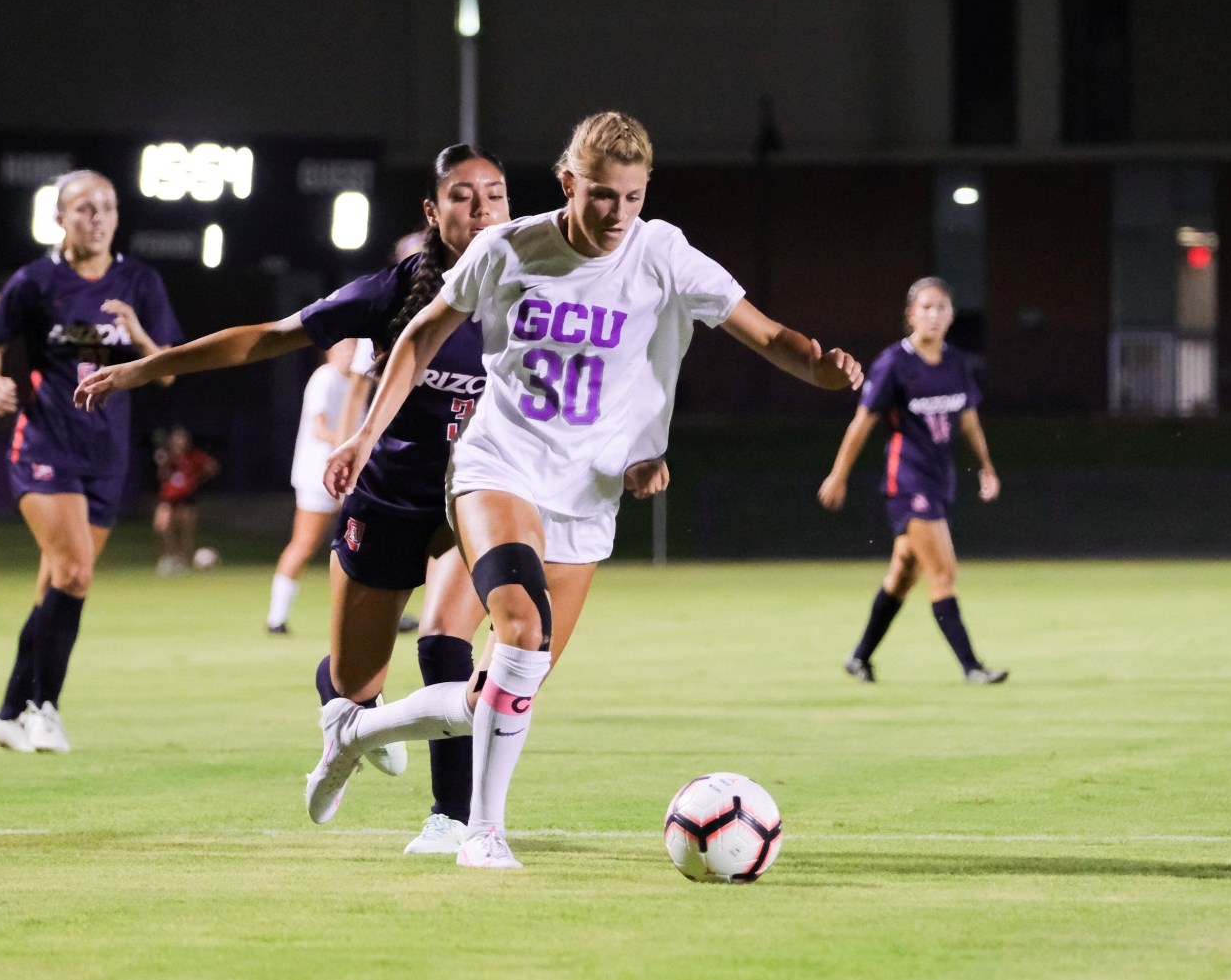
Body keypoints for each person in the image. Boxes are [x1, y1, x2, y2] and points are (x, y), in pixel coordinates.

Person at [309, 111, 864, 869]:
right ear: (569, 182)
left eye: (633, 197)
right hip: (496, 464)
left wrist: (819, 367)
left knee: (502, 687)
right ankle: (483, 831)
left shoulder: (661, 253)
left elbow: (764, 333)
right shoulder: (510, 247)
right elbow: (422, 334)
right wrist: (363, 434)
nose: (618, 214)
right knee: (522, 628)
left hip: (586, 492)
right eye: (603, 195)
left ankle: (356, 731)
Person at [76, 144, 514, 854]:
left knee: (444, 644)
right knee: (353, 677)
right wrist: (148, 367)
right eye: (463, 196)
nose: (483, 207)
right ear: (434, 213)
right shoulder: (393, 291)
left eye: (495, 194)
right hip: (392, 498)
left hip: (476, 492)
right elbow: (266, 339)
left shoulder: (535, 283)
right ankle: (348, 715)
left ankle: (451, 817)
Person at [0, 169, 183, 754]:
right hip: (44, 445)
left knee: (58, 586)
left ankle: (10, 712)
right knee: (75, 574)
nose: (97, 218)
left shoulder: (139, 281)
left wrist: (139, 333)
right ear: (60, 218)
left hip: (105, 457)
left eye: (108, 208)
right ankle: (45, 708)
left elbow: (167, 369)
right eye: (84, 208)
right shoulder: (36, 281)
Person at [817, 276, 1007, 685]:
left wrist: (987, 466)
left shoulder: (956, 363)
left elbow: (969, 419)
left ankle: (859, 657)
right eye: (925, 308)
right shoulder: (894, 364)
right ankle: (971, 667)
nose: (934, 315)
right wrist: (839, 474)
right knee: (943, 572)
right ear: (910, 316)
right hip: (907, 483)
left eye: (941, 307)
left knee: (903, 572)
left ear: (952, 315)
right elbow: (862, 423)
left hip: (941, 483)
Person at [265, 338, 372, 632]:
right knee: (305, 543)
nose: (350, 353)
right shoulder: (325, 379)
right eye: (343, 347)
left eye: (353, 347)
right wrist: (349, 447)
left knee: (368, 542)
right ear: (330, 352)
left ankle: (379, 613)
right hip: (318, 474)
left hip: (350, 476)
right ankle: (276, 617)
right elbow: (319, 427)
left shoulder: (358, 383)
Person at [153, 426, 220, 575]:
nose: (179, 442)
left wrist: (197, 477)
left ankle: (184, 561)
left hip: (187, 499)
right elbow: (162, 478)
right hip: (168, 499)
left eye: (182, 439)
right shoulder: (167, 457)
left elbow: (212, 466)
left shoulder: (194, 457)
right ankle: (169, 558)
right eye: (176, 439)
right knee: (163, 527)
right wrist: (163, 464)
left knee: (185, 530)